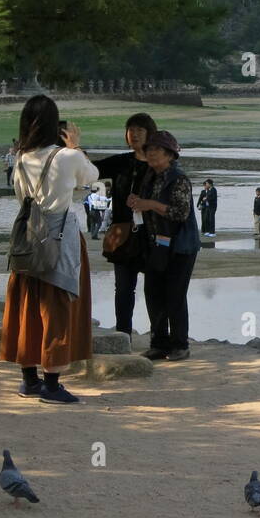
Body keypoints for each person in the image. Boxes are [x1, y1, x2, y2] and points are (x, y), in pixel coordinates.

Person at [0, 96, 97, 404]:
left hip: (27, 239)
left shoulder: (21, 158)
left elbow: (21, 196)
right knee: (57, 306)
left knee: (26, 306)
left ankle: (29, 380)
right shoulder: (67, 156)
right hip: (59, 238)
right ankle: (52, 384)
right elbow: (91, 178)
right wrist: (76, 146)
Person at [127, 130, 200, 362]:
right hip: (155, 244)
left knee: (175, 295)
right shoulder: (150, 176)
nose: (151, 154)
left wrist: (149, 204)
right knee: (153, 293)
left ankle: (180, 345)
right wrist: (136, 203)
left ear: (170, 155)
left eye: (156, 150)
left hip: (180, 247)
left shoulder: (179, 179)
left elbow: (180, 213)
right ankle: (158, 344)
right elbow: (145, 205)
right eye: (149, 150)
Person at [92, 113, 158, 338]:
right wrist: (73, 149)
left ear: (151, 134)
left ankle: (159, 337)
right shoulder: (121, 162)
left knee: (154, 289)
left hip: (152, 236)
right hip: (123, 235)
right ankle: (123, 335)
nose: (135, 134)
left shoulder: (159, 164)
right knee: (123, 289)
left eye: (140, 130)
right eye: (131, 130)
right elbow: (92, 170)